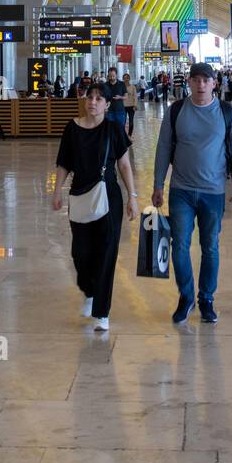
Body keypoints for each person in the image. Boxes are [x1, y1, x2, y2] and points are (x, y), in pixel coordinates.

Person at [152, 62, 232, 325]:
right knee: (180, 246)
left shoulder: (226, 113)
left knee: (210, 247)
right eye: (195, 80)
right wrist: (158, 183)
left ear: (214, 83)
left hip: (213, 192)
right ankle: (186, 297)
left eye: (205, 80)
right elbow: (163, 148)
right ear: (190, 83)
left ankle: (206, 298)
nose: (200, 84)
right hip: (181, 190)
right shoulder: (177, 111)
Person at [52, 86, 137, 331]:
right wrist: (57, 191)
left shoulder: (112, 129)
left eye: (99, 98)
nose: (93, 102)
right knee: (80, 252)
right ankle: (89, 291)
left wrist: (132, 196)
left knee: (106, 253)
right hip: (80, 194)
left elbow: (124, 164)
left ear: (108, 104)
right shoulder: (72, 128)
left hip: (109, 196)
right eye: (90, 97)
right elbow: (64, 162)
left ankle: (102, 312)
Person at [122, 73, 137, 138]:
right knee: (122, 122)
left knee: (131, 122)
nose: (126, 79)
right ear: (123, 79)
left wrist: (135, 105)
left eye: (127, 78)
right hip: (123, 107)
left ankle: (129, 135)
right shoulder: (121, 87)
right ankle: (123, 135)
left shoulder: (133, 87)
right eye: (124, 78)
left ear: (129, 79)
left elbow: (135, 96)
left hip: (131, 106)